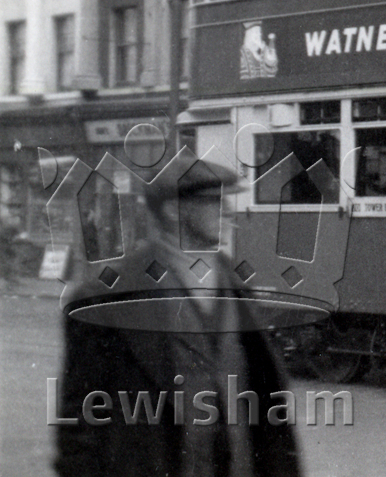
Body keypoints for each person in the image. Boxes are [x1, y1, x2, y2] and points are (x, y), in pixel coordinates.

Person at [54, 160, 302, 477]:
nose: (228, 211)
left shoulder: (237, 289)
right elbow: (79, 424)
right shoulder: (106, 299)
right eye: (214, 201)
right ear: (173, 210)